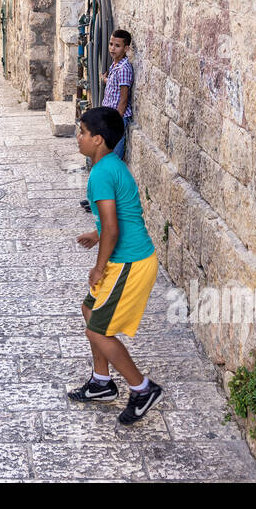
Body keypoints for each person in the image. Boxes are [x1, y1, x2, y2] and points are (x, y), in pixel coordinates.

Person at [67, 107, 162, 424]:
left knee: (99, 330)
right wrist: (97, 234)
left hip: (130, 263)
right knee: (89, 311)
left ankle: (142, 388)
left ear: (97, 139)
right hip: (126, 257)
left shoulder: (102, 173)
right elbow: (120, 216)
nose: (77, 137)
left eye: (81, 131)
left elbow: (113, 229)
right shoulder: (109, 166)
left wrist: (98, 266)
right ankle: (101, 383)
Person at [100, 28, 134, 160]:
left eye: (117, 46)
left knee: (114, 156)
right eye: (111, 44)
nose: (112, 49)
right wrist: (106, 80)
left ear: (126, 48)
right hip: (109, 116)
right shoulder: (115, 65)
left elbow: (124, 98)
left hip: (117, 118)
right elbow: (115, 84)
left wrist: (116, 121)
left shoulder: (124, 69)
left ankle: (114, 180)